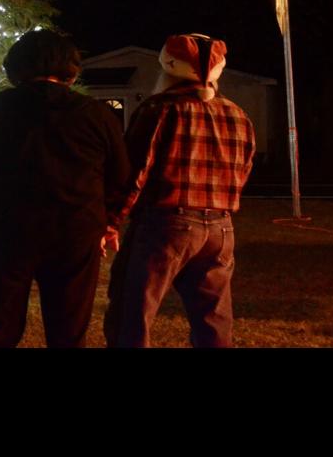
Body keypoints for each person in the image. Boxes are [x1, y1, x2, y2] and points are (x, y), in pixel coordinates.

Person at [0, 29, 129, 347]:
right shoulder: (96, 114)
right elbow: (121, 176)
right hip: (76, 228)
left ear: (15, 67)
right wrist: (108, 220)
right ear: (71, 69)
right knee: (68, 326)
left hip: (5, 226)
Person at [104, 34, 256, 348]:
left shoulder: (158, 109)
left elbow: (135, 173)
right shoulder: (239, 115)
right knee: (213, 321)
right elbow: (242, 174)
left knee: (132, 315)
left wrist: (111, 221)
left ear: (168, 68)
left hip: (165, 224)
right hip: (221, 228)